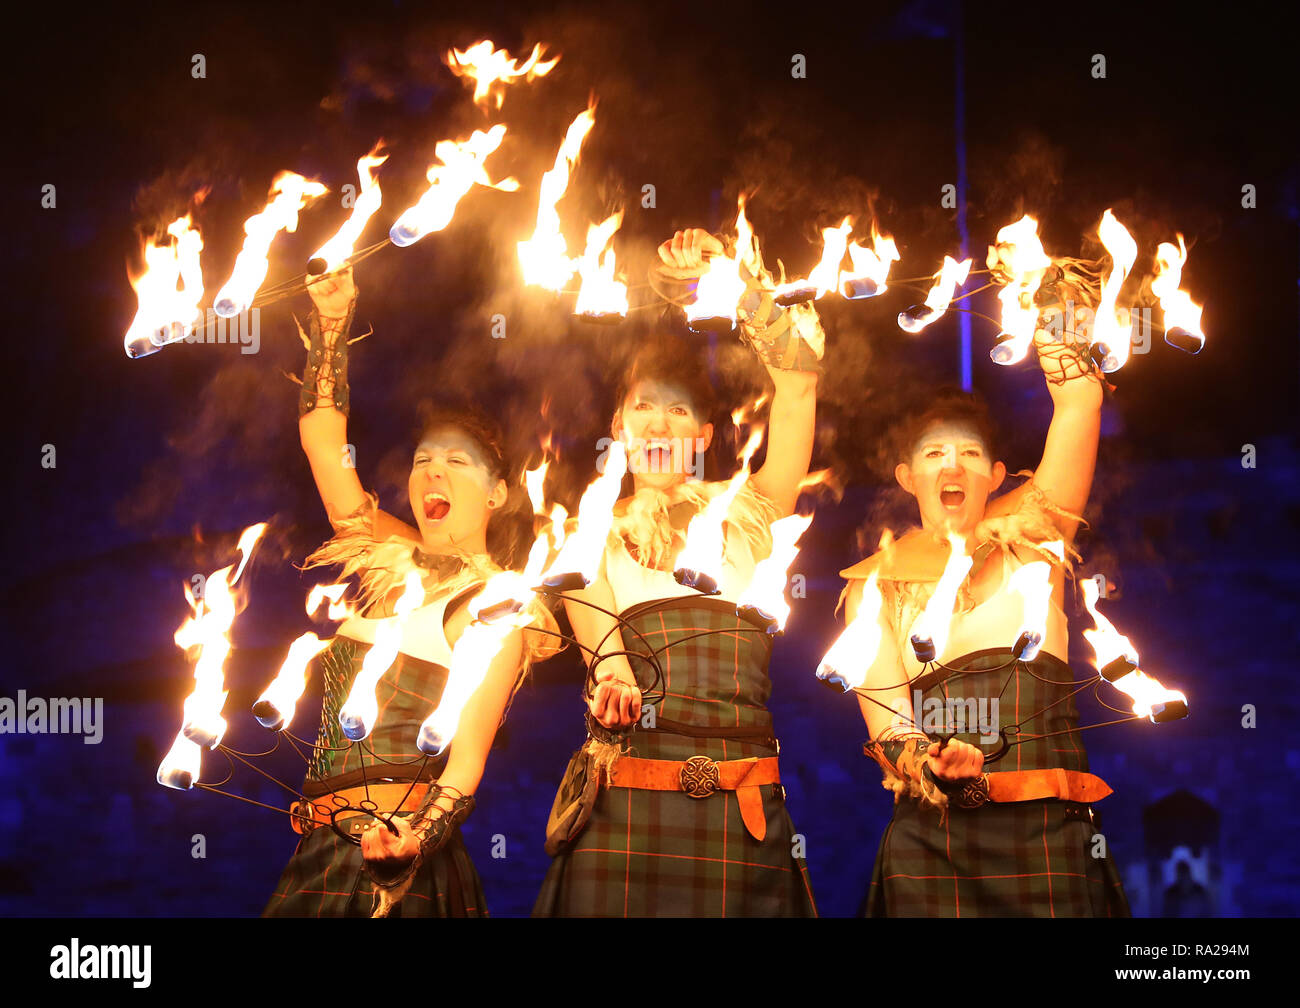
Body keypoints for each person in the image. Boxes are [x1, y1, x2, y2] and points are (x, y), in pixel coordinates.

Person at [533, 228, 820, 916]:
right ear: (619, 425)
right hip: (625, 810)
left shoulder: (753, 513)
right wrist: (612, 689)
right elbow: (607, 658)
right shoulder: (588, 537)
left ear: (704, 436)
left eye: (679, 409)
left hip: (740, 815)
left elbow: (800, 386)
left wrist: (735, 280)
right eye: (642, 406)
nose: (658, 423)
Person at [263, 267, 556, 917]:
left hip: (403, 860)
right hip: (319, 851)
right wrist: (333, 325)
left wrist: (411, 844)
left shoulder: (497, 606)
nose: (433, 468)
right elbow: (321, 443)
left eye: (457, 460)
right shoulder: (382, 562)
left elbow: (464, 768)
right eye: (424, 458)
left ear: (498, 491)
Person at [837, 277, 1130, 916]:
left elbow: (1079, 405)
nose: (951, 465)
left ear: (996, 476)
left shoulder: (1035, 540)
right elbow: (888, 727)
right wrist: (929, 759)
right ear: (907, 477)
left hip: (1044, 837)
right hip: (929, 847)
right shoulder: (876, 588)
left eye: (970, 453)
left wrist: (1058, 310)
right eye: (933, 453)